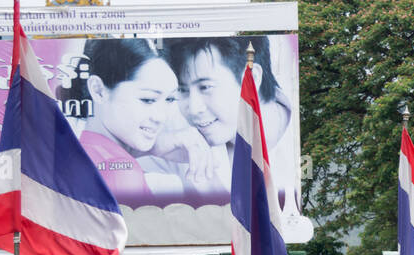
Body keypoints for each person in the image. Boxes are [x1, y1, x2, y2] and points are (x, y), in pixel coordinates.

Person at [58, 39, 207, 205]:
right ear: (98, 90)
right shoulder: (121, 172)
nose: (161, 117)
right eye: (148, 99)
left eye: (170, 99)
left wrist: (149, 148)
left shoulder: (76, 152)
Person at [164, 36, 297, 209]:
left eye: (205, 87)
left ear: (251, 77)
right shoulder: (175, 133)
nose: (194, 108)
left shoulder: (300, 135)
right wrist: (156, 146)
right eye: (183, 90)